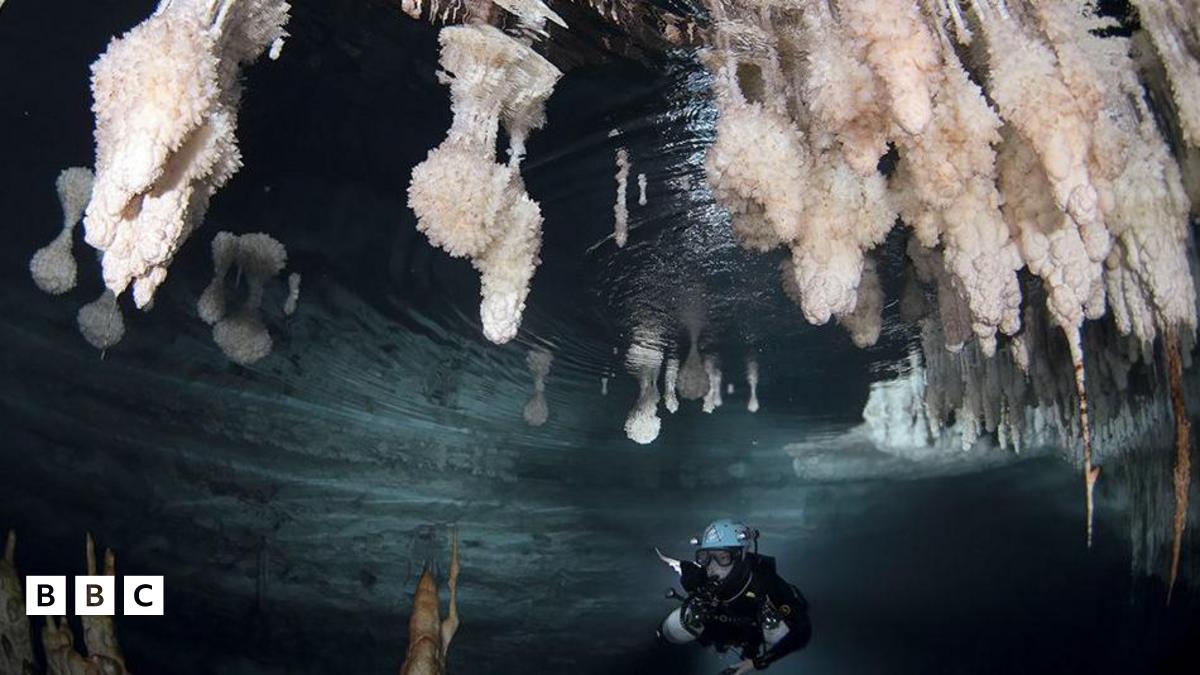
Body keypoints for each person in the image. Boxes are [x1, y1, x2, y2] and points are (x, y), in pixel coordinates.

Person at [658, 519, 811, 673]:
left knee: (779, 632)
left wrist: (758, 661)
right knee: (681, 623)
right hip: (724, 625)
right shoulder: (696, 576)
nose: (712, 567)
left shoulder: (765, 584)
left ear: (740, 556)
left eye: (723, 557)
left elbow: (802, 631)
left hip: (753, 629)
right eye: (705, 557)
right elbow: (672, 562)